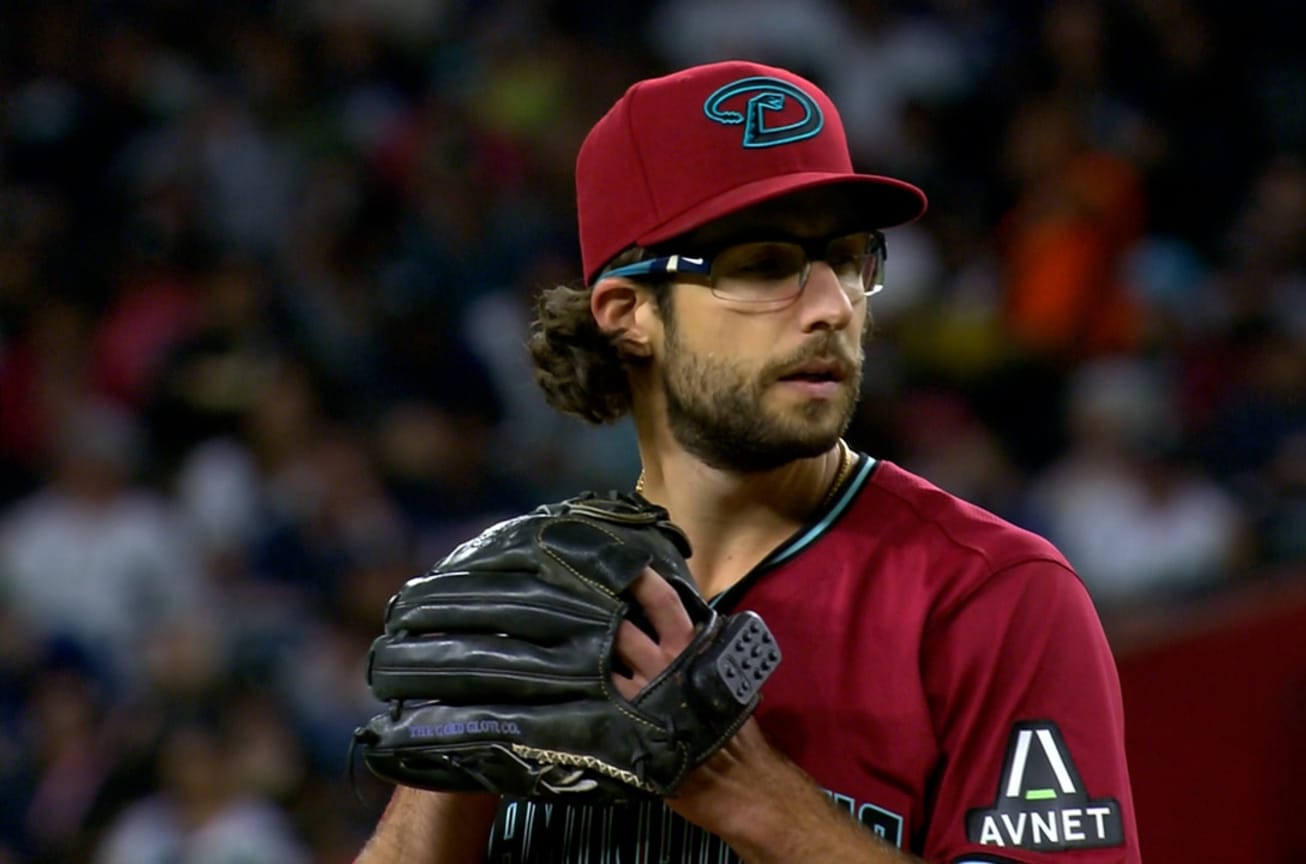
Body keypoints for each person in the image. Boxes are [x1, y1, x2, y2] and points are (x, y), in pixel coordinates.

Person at [355, 59, 1139, 863]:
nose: (832, 307)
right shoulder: (518, 600)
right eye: (765, 265)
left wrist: (753, 798)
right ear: (628, 313)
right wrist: (449, 771)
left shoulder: (992, 599)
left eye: (847, 259)